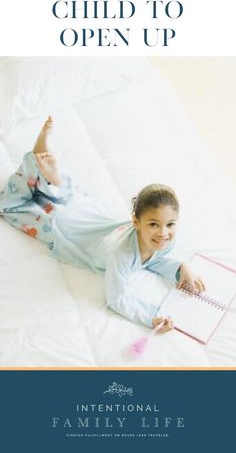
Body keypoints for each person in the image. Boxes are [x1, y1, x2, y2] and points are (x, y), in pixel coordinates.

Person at [0, 117, 205, 333]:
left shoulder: (161, 240)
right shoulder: (122, 255)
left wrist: (182, 267)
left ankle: (47, 172)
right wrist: (151, 317)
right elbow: (117, 298)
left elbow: (155, 259)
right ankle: (45, 172)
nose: (163, 233)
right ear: (135, 222)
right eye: (154, 224)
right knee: (12, 206)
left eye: (170, 224)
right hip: (64, 230)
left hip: (85, 216)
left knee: (61, 197)